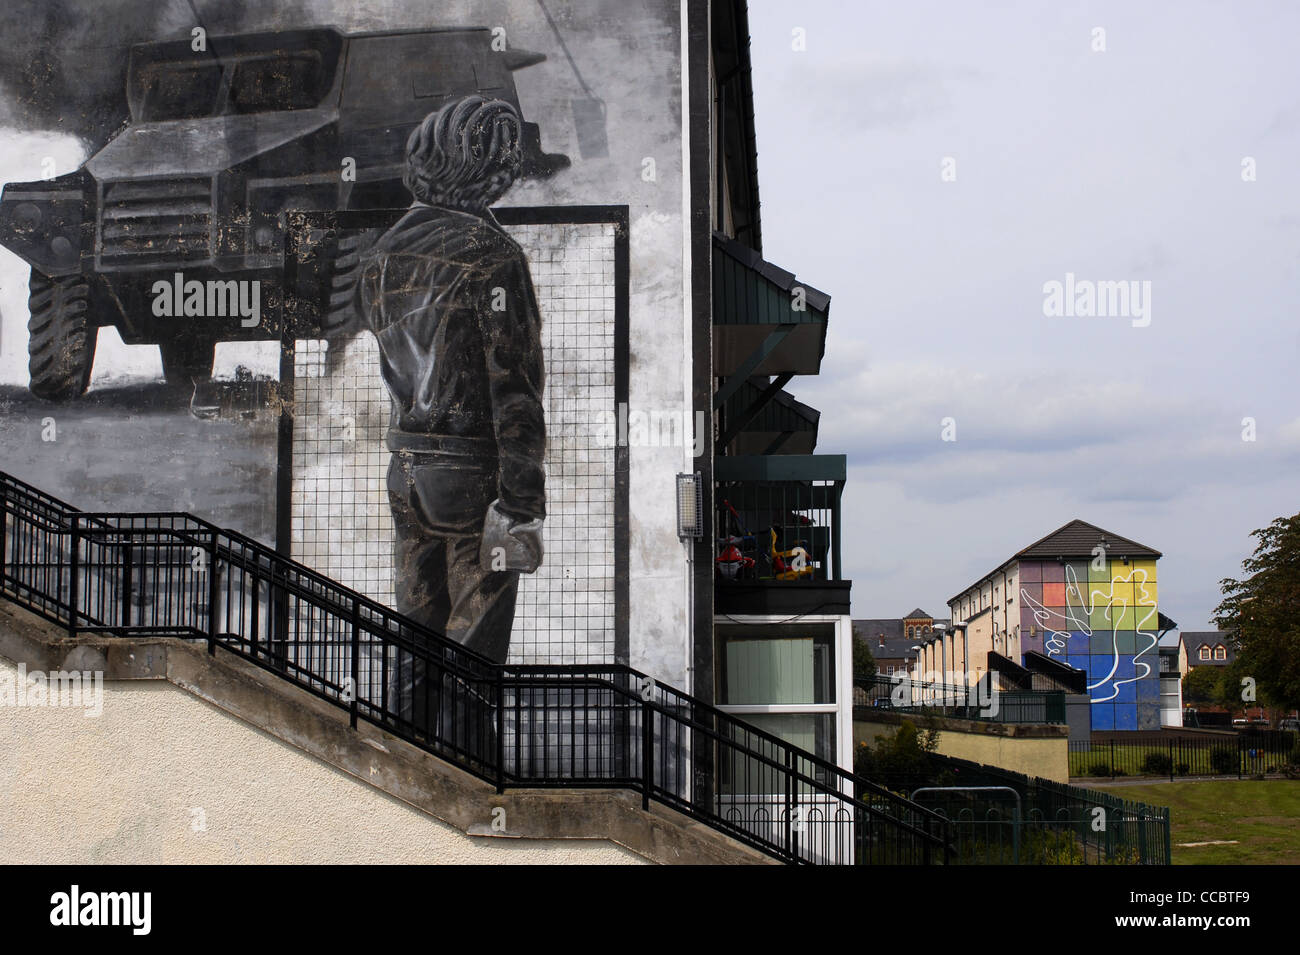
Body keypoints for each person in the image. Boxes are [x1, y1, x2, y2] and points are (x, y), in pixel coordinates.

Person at [354, 95, 546, 754]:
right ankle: (466, 794)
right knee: (475, 650)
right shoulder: (494, 256)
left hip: (406, 467)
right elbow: (514, 388)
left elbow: (392, 365)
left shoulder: (382, 255)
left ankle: (403, 774)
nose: (511, 170)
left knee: (415, 639)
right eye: (504, 158)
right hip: (475, 476)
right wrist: (521, 500)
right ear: (486, 167)